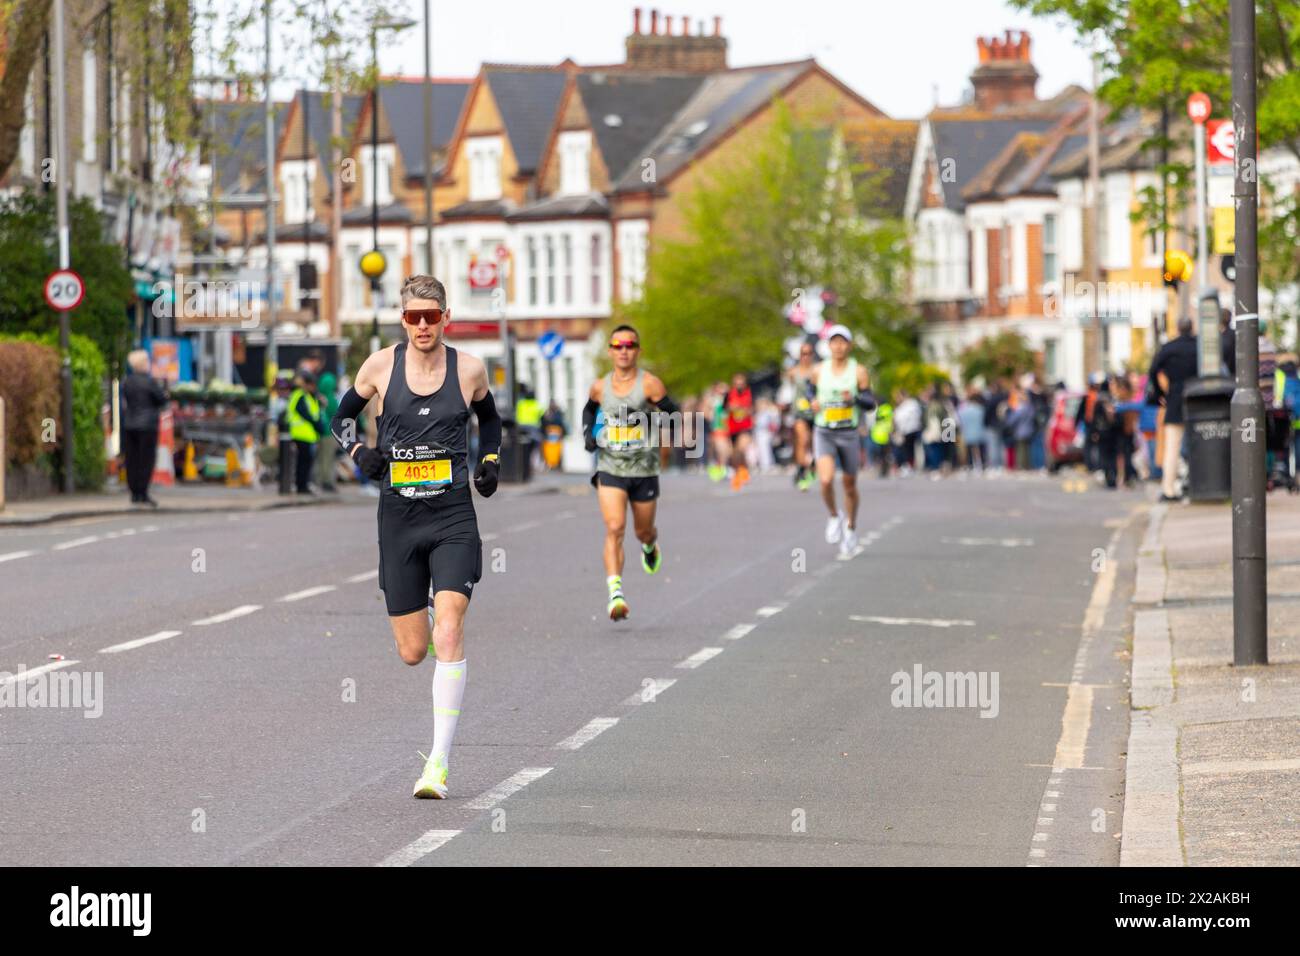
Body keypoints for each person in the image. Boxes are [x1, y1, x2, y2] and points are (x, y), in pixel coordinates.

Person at [329, 275, 502, 799]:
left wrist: (490, 461)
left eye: (432, 316)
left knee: (449, 633)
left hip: (452, 517)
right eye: (413, 317)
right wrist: (360, 454)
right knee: (412, 651)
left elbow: (491, 422)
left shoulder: (469, 369)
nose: (423, 325)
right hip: (400, 520)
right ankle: (423, 612)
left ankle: (438, 764)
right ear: (402, 320)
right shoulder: (379, 367)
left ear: (446, 316)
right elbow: (340, 419)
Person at [582, 324, 679, 621]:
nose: (624, 350)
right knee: (614, 527)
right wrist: (589, 432)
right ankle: (616, 594)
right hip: (611, 466)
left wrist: (661, 438)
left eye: (630, 345)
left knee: (642, 530)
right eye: (618, 345)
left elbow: (673, 413)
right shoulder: (600, 386)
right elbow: (589, 410)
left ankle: (650, 545)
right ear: (611, 350)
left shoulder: (650, 384)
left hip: (644, 469)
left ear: (638, 350)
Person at [808, 325, 876, 557]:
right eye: (834, 342)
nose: (838, 346)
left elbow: (870, 403)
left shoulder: (858, 371)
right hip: (825, 430)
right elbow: (809, 392)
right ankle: (834, 516)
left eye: (843, 342)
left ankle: (851, 527)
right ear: (829, 346)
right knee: (825, 480)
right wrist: (812, 402)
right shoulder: (819, 370)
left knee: (849, 484)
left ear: (849, 345)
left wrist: (855, 398)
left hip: (848, 432)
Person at [1147, 317, 1199, 501]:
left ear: (1178, 328)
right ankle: (1197, 484)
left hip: (1175, 398)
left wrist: (1161, 393)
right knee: (1199, 444)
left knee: (1172, 446)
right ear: (1192, 327)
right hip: (1198, 397)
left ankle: (1169, 489)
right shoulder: (1199, 346)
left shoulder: (1169, 348)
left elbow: (1153, 370)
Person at [121, 349, 169, 507]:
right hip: (147, 425)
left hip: (130, 424)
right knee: (146, 460)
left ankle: (134, 492)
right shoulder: (150, 382)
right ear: (143, 363)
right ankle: (143, 492)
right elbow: (161, 400)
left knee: (132, 459)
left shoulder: (127, 381)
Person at [286, 370, 325, 494]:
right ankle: (301, 486)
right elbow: (306, 414)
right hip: (302, 434)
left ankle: (302, 485)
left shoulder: (307, 396)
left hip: (307, 435)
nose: (314, 388)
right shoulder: (300, 395)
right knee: (303, 463)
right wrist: (317, 425)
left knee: (304, 462)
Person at [787, 342, 818, 490]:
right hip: (799, 412)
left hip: (815, 413)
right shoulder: (793, 372)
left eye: (809, 353)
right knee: (802, 440)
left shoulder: (817, 370)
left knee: (813, 443)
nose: (806, 356)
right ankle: (801, 470)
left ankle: (812, 465)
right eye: (803, 353)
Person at [725, 373, 755, 490]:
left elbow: (754, 407)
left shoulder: (750, 393)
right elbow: (723, 409)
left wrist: (746, 410)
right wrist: (731, 408)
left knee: (741, 449)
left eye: (741, 383)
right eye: (737, 384)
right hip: (732, 428)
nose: (739, 386)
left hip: (745, 427)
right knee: (734, 453)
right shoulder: (729, 394)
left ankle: (740, 472)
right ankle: (740, 470)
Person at [893, 389, 922, 474]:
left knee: (909, 450)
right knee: (907, 450)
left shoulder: (911, 404)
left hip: (910, 431)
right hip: (906, 431)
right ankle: (908, 466)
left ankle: (910, 466)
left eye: (898, 396)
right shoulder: (903, 406)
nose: (897, 399)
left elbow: (902, 419)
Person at [957, 387, 985, 470]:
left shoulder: (963, 410)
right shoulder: (981, 409)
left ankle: (970, 465)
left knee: (969, 451)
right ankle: (981, 464)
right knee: (980, 450)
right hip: (979, 432)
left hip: (967, 433)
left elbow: (959, 421)